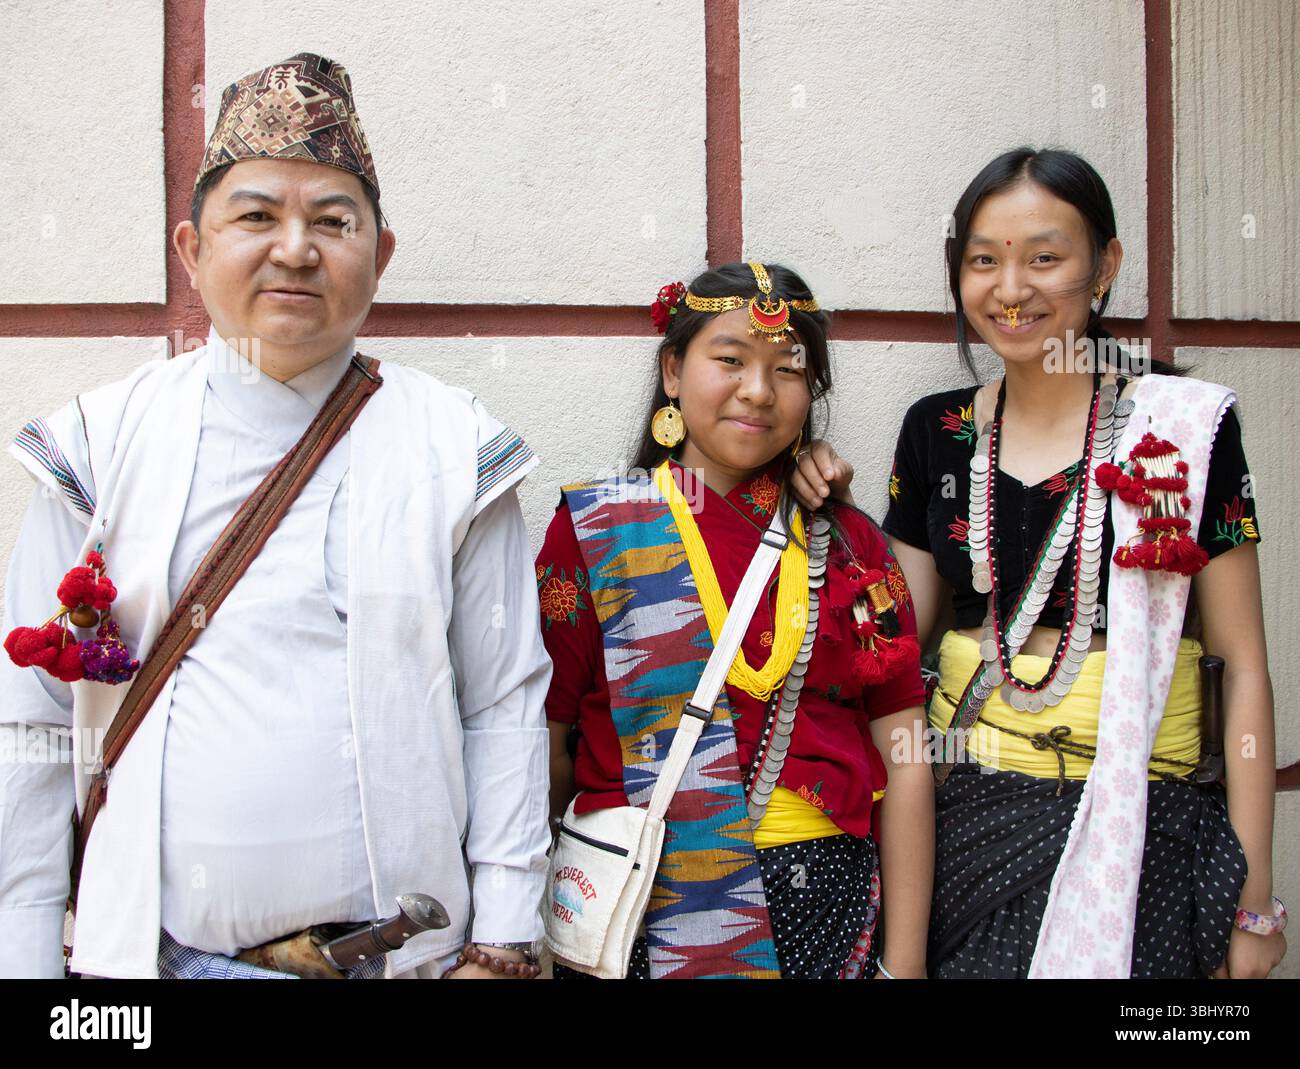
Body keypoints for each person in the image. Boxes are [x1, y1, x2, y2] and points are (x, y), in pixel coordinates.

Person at [0, 53, 550, 980]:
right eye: (256, 215)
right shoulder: (98, 444)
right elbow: (32, 720)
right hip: (150, 961)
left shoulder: (458, 449)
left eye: (333, 222)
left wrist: (503, 941)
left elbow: (502, 703)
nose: (296, 248)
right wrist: (23, 955)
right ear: (191, 248)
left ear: (379, 255)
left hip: (410, 959)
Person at [798, 148, 1286, 978]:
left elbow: (1241, 668)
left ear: (1106, 267)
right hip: (965, 825)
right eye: (984, 260)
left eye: (1044, 257)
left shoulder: (1178, 430)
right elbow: (895, 656)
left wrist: (1254, 896)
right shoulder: (937, 430)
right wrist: (804, 488)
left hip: (1144, 827)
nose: (1010, 288)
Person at [537, 262, 933, 979]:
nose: (757, 389)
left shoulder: (850, 546)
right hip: (642, 905)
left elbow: (906, 757)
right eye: (729, 360)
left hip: (825, 905)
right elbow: (547, 739)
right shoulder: (596, 531)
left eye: (788, 368)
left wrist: (904, 967)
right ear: (671, 371)